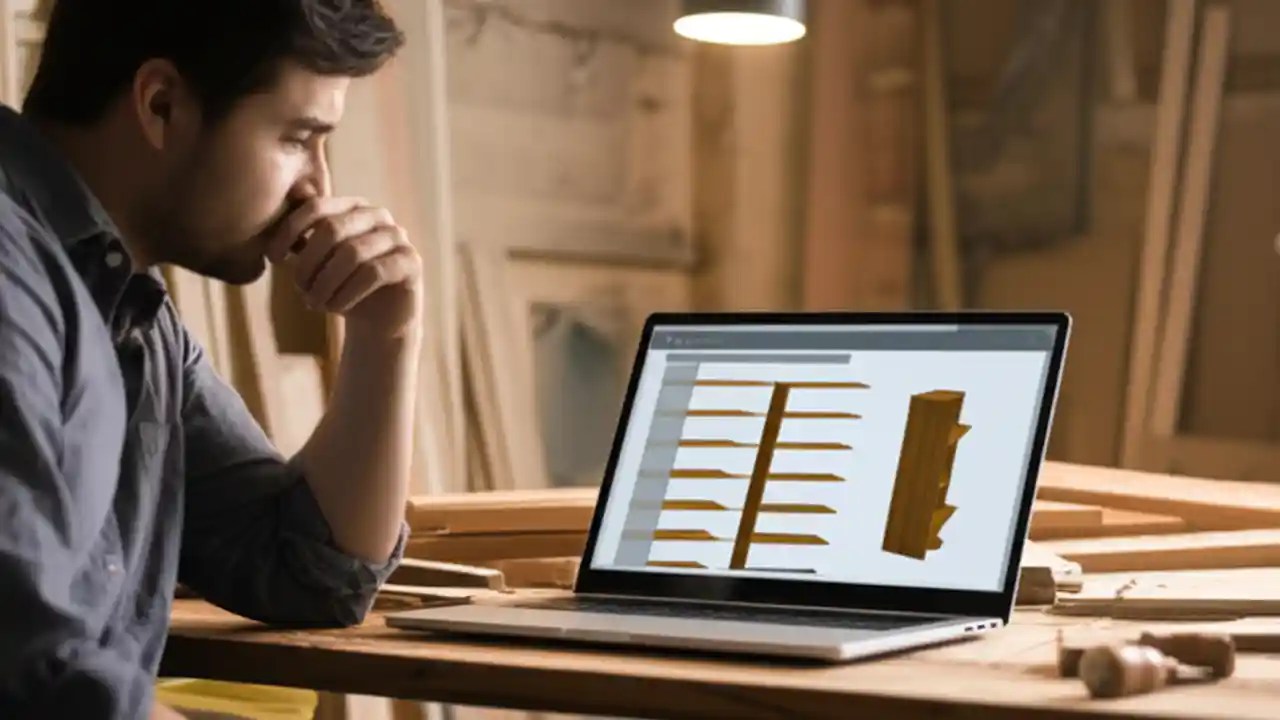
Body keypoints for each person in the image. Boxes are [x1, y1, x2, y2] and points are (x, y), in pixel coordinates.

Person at [0, 1, 421, 717]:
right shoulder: (14, 278)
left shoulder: (131, 312)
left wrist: (387, 334)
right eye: (298, 138)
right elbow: (30, 670)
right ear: (161, 105)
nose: (317, 186)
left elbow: (309, 571)